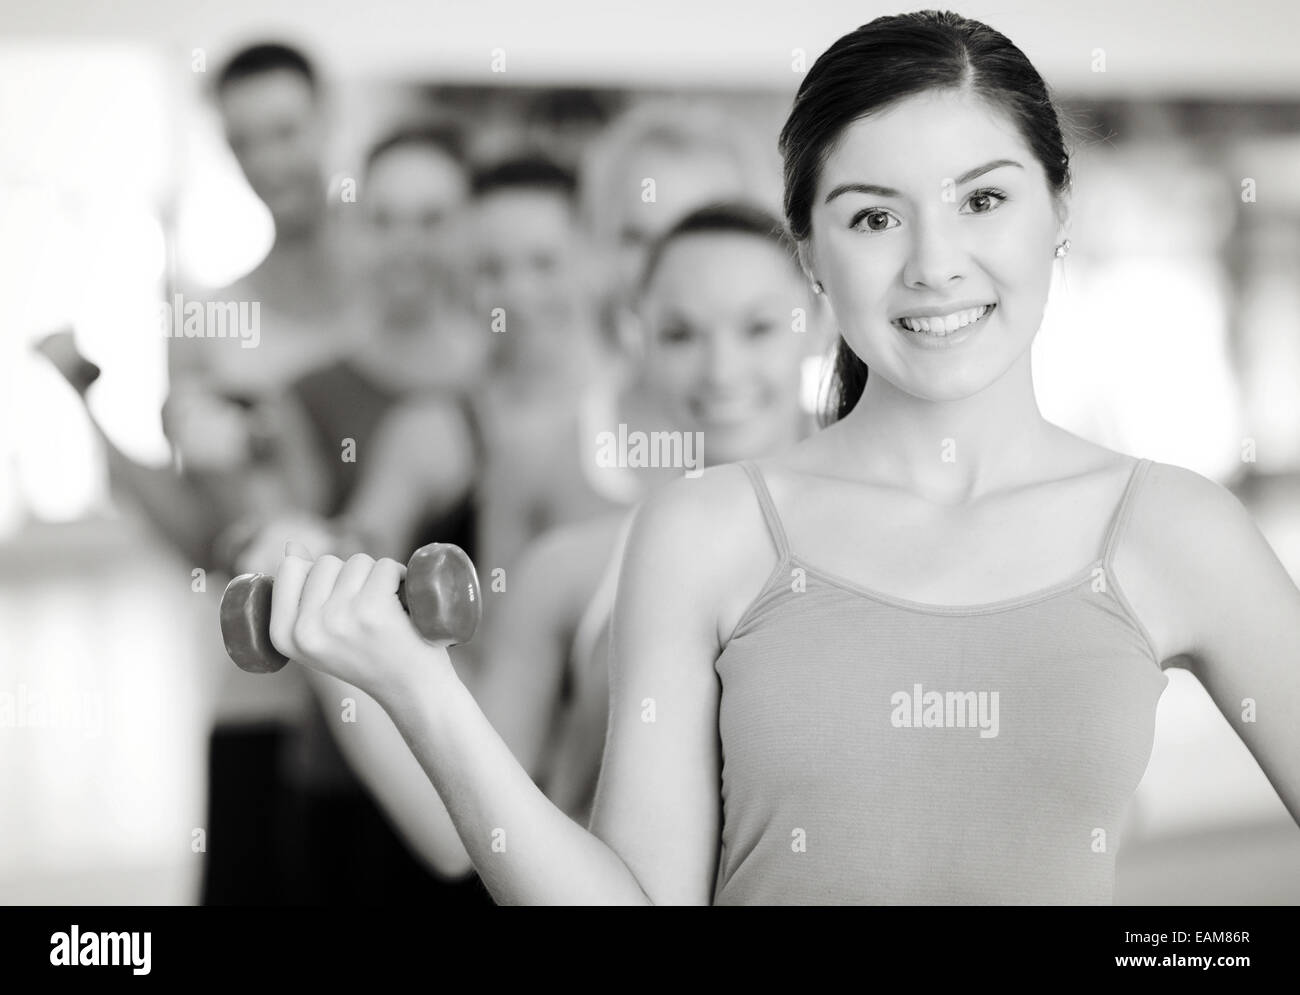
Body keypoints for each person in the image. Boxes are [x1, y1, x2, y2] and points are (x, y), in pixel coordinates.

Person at [260, 11, 1300, 905]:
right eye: (872, 216)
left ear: (1057, 213)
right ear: (807, 250)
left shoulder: (1176, 529)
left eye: (982, 199)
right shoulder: (704, 529)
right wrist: (415, 684)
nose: (935, 263)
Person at [297, 201, 818, 877]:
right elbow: (454, 839)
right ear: (639, 341)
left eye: (758, 328)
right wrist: (323, 630)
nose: (721, 369)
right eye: (681, 333)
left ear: (821, 319)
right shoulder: (569, 568)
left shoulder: (888, 541)